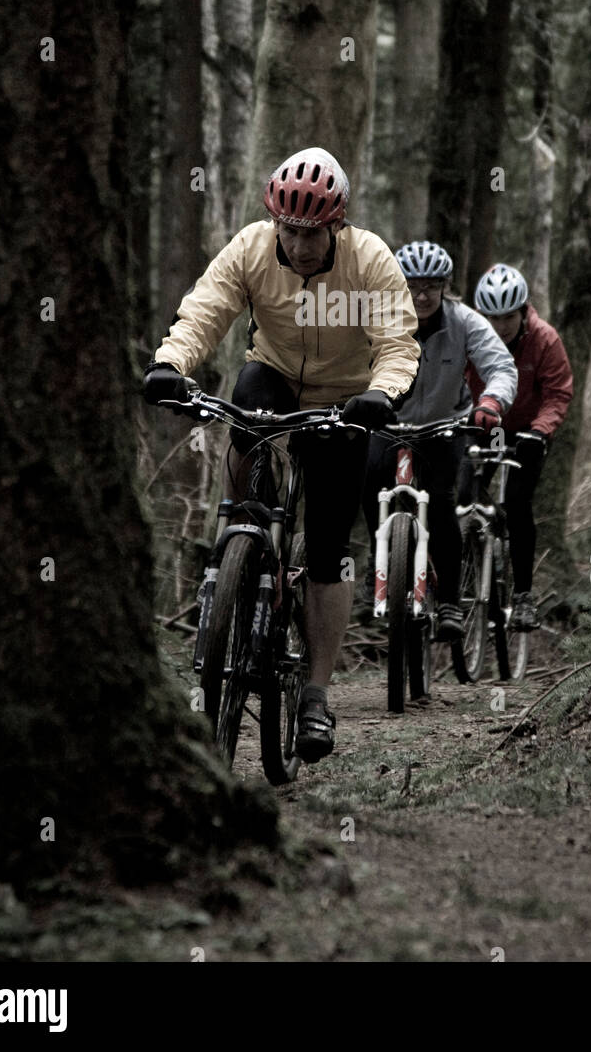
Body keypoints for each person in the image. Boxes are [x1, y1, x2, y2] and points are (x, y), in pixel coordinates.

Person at [142, 147, 420, 761]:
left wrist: (380, 392)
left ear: (336, 224)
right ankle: (241, 539)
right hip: (271, 379)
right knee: (244, 397)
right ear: (275, 221)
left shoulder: (370, 260)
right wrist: (170, 364)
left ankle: (316, 694)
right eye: (288, 230)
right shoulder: (249, 248)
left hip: (344, 400)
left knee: (325, 549)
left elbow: (398, 340)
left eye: (311, 231)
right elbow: (203, 312)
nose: (297, 244)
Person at [359, 241, 517, 642]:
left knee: (442, 502)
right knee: (369, 483)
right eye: (412, 286)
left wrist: (491, 401)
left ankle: (448, 601)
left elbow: (500, 365)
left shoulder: (464, 322)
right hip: (388, 423)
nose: (422, 295)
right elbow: (345, 363)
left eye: (431, 286)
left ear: (445, 287)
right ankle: (375, 564)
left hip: (444, 426)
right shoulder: (379, 318)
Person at [470, 264, 573, 630]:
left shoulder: (545, 339)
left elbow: (558, 392)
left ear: (522, 311)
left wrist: (542, 431)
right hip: (484, 424)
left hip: (527, 432)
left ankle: (523, 596)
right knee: (462, 494)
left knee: (516, 502)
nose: (500, 327)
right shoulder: (472, 334)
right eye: (492, 318)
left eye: (508, 317)